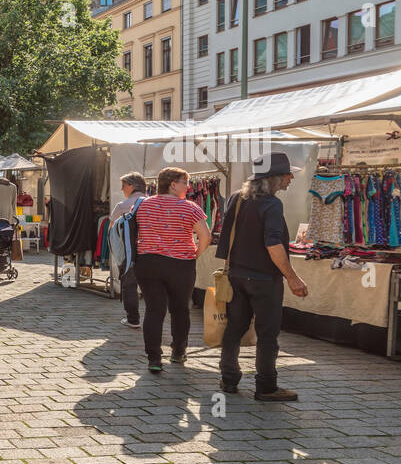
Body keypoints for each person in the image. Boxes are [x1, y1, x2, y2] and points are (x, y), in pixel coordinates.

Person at [216, 152, 309, 402]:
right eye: (287, 174)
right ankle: (266, 386)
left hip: (236, 275)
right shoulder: (271, 204)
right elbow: (274, 246)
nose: (291, 178)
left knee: (234, 328)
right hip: (264, 280)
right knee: (267, 333)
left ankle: (228, 378)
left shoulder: (237, 198)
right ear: (275, 178)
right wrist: (292, 277)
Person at [134, 167, 213, 373]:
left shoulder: (142, 205)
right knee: (180, 309)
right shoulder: (190, 207)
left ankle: (154, 358)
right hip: (180, 264)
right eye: (184, 182)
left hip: (148, 262)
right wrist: (196, 253)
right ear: (172, 184)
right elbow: (205, 236)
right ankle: (178, 351)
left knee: (154, 310)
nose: (188, 187)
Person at [111, 172, 149, 329]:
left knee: (129, 285)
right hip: (150, 252)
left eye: (123, 186)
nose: (122, 189)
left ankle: (133, 319)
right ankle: (153, 318)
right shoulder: (153, 204)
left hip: (129, 252)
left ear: (131, 186)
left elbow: (112, 229)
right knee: (151, 287)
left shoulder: (122, 206)